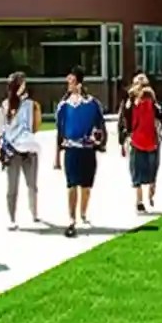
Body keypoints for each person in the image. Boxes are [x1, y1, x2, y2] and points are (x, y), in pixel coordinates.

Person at [54, 66, 107, 238]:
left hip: (87, 149)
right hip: (71, 149)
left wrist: (100, 141)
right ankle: (71, 217)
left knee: (86, 186)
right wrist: (57, 156)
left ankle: (83, 213)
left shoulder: (92, 104)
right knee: (71, 184)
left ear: (78, 81)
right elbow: (59, 131)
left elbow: (100, 126)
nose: (68, 83)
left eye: (70, 80)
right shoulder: (63, 106)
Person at [118, 73, 162, 214]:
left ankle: (145, 195)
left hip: (144, 140)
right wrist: (122, 139)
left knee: (144, 170)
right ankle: (142, 198)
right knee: (143, 170)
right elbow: (124, 120)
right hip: (143, 140)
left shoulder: (146, 101)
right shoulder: (136, 102)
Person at [0, 71, 42, 230]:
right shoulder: (4, 106)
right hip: (12, 151)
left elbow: (34, 126)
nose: (24, 86)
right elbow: (0, 130)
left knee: (32, 184)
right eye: (22, 83)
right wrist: (2, 146)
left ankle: (34, 212)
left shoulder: (30, 104)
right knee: (12, 187)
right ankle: (12, 218)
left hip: (29, 149)